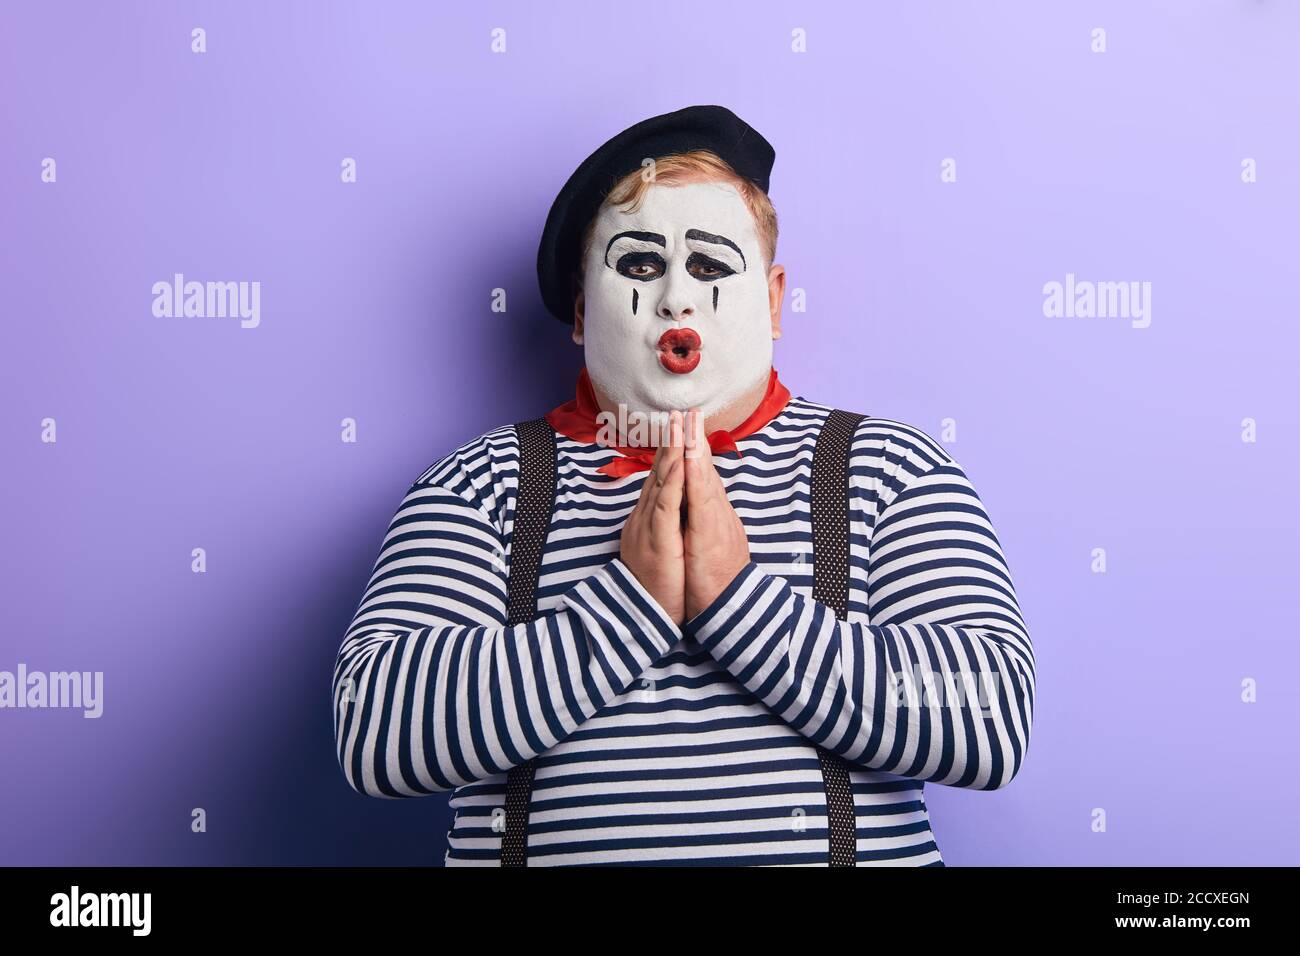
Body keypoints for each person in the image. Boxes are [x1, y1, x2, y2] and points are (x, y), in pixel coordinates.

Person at [332, 105, 1035, 866]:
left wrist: (740, 601)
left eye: (709, 266)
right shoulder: (480, 484)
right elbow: (376, 732)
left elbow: (987, 718)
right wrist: (624, 608)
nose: (675, 298)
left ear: (771, 301)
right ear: (579, 309)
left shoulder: (889, 469)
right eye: (638, 265)